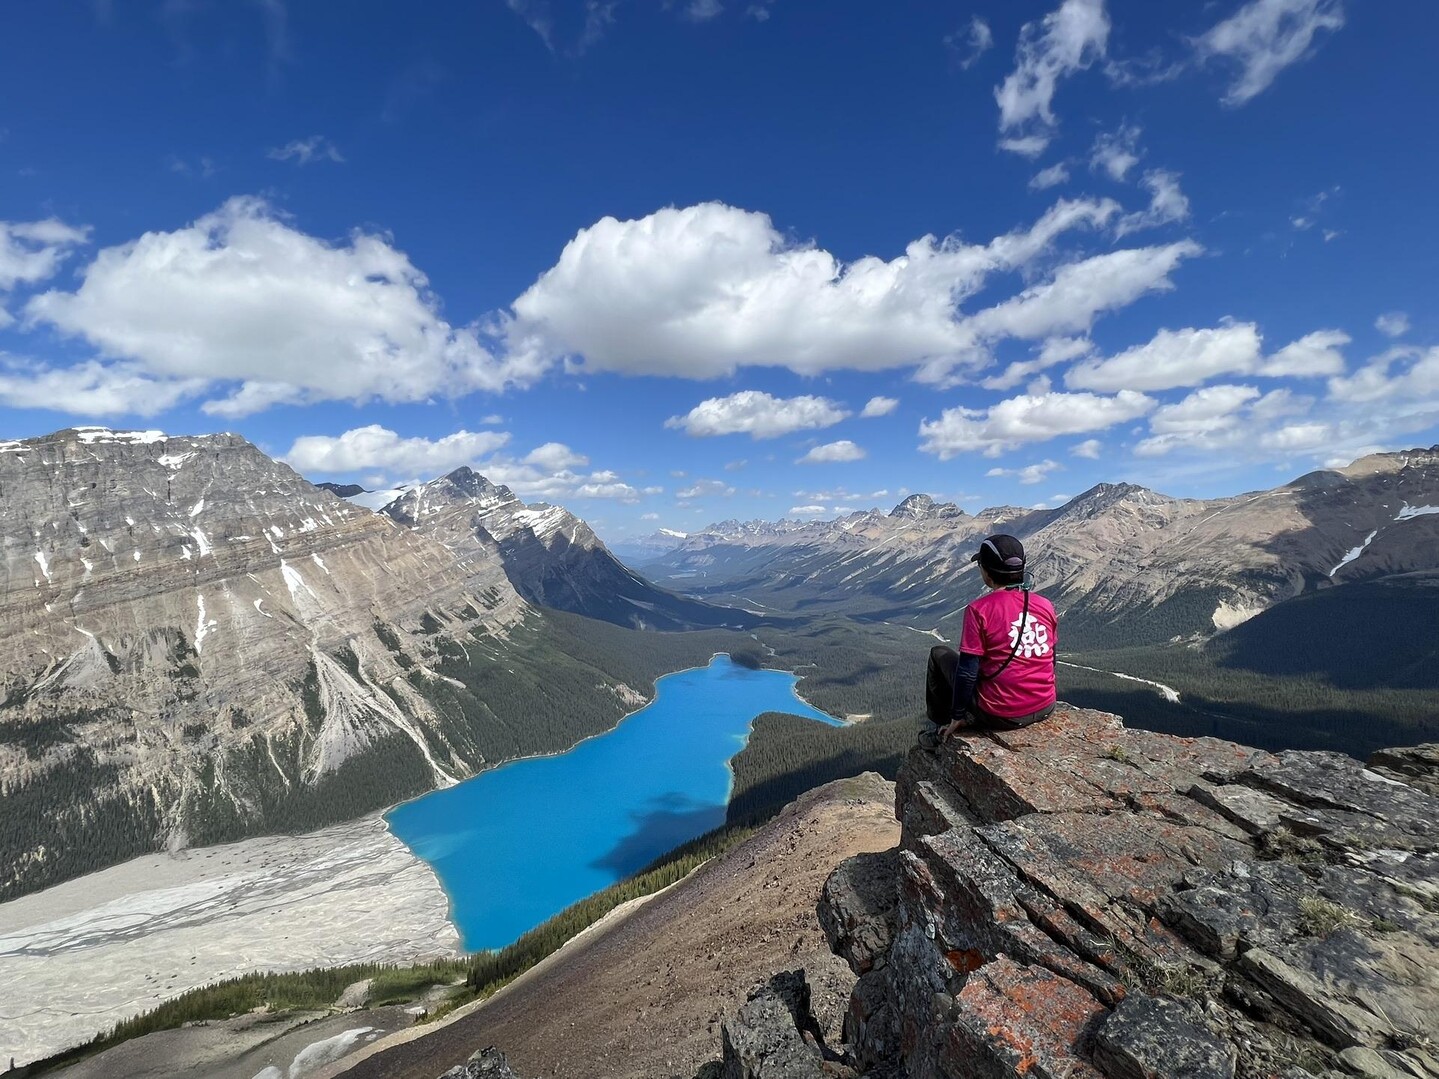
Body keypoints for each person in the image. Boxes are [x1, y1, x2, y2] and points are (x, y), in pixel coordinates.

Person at [920, 534, 1057, 748]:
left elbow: (967, 671)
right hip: (1046, 706)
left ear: (987, 571)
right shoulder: (1044, 605)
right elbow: (1051, 657)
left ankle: (939, 729)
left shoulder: (979, 610)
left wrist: (958, 715)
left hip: (1002, 715)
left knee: (939, 654)